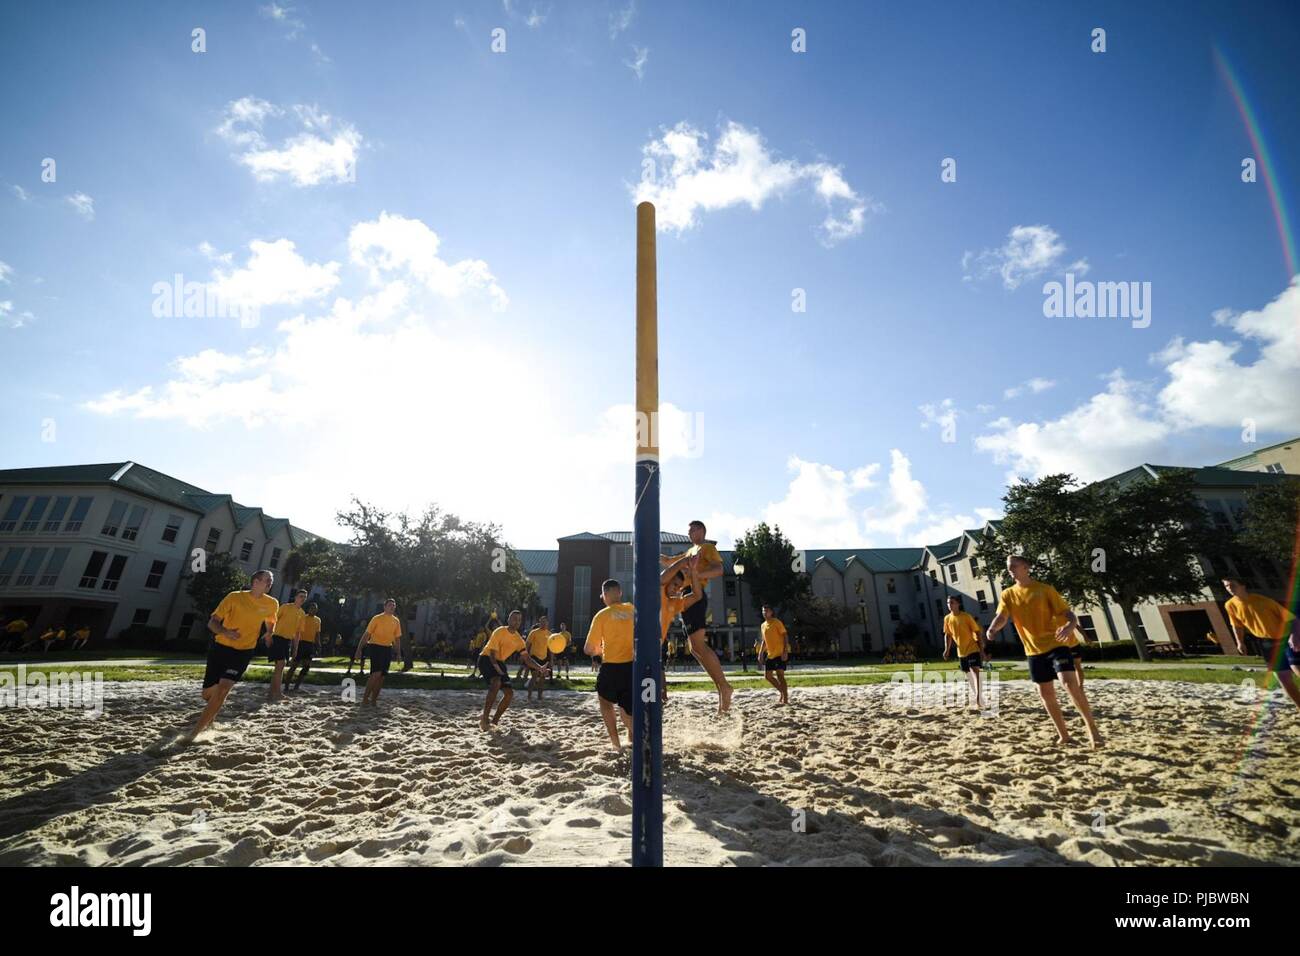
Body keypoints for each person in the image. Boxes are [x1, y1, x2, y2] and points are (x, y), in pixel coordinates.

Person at [985, 555, 1103, 748]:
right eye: (1008, 567)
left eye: (1013, 566)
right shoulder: (1008, 594)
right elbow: (1002, 615)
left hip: (1056, 645)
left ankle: (1092, 729)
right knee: (1045, 693)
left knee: (1069, 684)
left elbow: (1069, 614)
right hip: (1033, 651)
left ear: (1026, 567)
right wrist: (992, 629)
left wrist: (1070, 625)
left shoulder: (1045, 590)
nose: (1010, 570)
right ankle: (1064, 735)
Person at [189, 570, 279, 741]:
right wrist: (225, 631)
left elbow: (270, 619)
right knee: (208, 694)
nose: (269, 584)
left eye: (271, 582)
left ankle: (194, 734)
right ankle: (211, 718)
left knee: (223, 689)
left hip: (243, 652)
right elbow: (212, 622)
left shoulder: (272, 603)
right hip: (221, 648)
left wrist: (269, 632)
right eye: (267, 581)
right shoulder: (234, 597)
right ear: (255, 581)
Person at [662, 520, 733, 713]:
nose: (689, 532)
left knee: (699, 645)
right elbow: (669, 561)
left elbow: (719, 570)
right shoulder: (690, 551)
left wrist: (697, 573)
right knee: (694, 648)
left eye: (693, 529)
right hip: (686, 598)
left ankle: (724, 687)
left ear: (701, 530)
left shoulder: (706, 547)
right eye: (688, 530)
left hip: (695, 596)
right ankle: (721, 688)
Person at [1223, 576, 1300, 712]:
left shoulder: (1263, 601)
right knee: (1283, 678)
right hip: (1266, 643)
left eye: (1232, 585)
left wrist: (1294, 636)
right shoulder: (1230, 605)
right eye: (1227, 586)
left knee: (1297, 670)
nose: (1230, 589)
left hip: (1286, 639)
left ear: (1243, 586)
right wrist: (1239, 642)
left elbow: (1293, 620)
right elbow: (1237, 626)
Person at [584, 580, 635, 752]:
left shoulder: (602, 615)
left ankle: (616, 744)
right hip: (632, 666)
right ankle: (633, 740)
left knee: (605, 702)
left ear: (605, 595)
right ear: (619, 592)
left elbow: (588, 648)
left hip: (612, 667)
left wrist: (599, 651)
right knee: (628, 708)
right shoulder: (633, 610)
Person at [477, 610, 544, 730]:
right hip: (486, 658)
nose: (516, 621)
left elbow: (527, 659)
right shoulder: (500, 631)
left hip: (500, 662)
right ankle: (485, 718)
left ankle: (495, 722)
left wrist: (540, 667)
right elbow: (492, 654)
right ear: (508, 620)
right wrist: (498, 670)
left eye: (519, 620)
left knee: (509, 694)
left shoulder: (519, 640)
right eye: (514, 618)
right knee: (496, 682)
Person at [659, 558, 704, 704]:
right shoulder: (658, 592)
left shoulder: (674, 603)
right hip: (642, 643)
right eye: (675, 585)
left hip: (658, 644)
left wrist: (694, 571)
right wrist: (684, 561)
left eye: (679, 587)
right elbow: (662, 578)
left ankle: (663, 696)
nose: (677, 589)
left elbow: (697, 595)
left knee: (659, 672)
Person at [942, 595, 988, 710]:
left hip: (972, 648)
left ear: (958, 604)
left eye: (952, 602)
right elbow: (948, 635)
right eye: (948, 603)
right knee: (969, 675)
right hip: (961, 652)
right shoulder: (947, 618)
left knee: (975, 671)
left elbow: (977, 632)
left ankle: (978, 698)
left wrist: (982, 650)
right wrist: (947, 650)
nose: (949, 605)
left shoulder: (966, 617)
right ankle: (978, 696)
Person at [356, 599, 402, 706]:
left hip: (387, 648)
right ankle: (365, 699)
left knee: (382, 676)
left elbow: (397, 639)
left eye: (393, 605)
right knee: (376, 673)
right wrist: (359, 649)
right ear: (384, 607)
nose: (392, 607)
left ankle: (373, 700)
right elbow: (366, 634)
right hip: (375, 646)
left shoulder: (396, 621)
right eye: (390, 605)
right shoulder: (377, 618)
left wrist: (399, 653)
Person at [267, 590, 308, 701]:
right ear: (295, 597)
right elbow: (273, 620)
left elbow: (298, 633)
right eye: (301, 596)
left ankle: (271, 693)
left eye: (304, 597)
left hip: (287, 641)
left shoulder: (302, 613)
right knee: (281, 664)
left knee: (278, 668)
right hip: (278, 638)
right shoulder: (285, 607)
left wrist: (295, 649)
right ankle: (278, 693)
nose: (302, 598)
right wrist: (269, 635)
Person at [284, 601, 321, 692]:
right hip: (301, 643)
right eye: (311, 608)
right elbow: (295, 630)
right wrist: (293, 644)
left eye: (315, 609)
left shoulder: (318, 620)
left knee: (306, 666)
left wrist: (318, 645)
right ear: (308, 609)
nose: (313, 610)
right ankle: (286, 686)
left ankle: (296, 686)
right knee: (294, 666)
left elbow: (317, 634)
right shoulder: (303, 617)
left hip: (310, 645)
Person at [758, 603, 791, 704]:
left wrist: (785, 651)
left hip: (780, 653)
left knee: (780, 676)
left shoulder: (777, 622)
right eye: (763, 611)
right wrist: (760, 653)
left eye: (767, 610)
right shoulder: (763, 625)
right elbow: (764, 641)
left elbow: (785, 636)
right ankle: (782, 691)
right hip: (770, 654)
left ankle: (785, 698)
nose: (765, 612)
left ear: (771, 612)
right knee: (768, 676)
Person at [524, 614, 552, 701]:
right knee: (535, 676)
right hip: (534, 657)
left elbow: (550, 648)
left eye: (545, 622)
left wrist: (551, 660)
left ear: (547, 623)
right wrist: (525, 656)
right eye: (542, 622)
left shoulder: (549, 634)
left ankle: (539, 696)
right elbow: (527, 645)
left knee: (542, 678)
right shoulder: (534, 632)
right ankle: (529, 696)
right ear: (539, 623)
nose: (543, 623)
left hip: (544, 658)